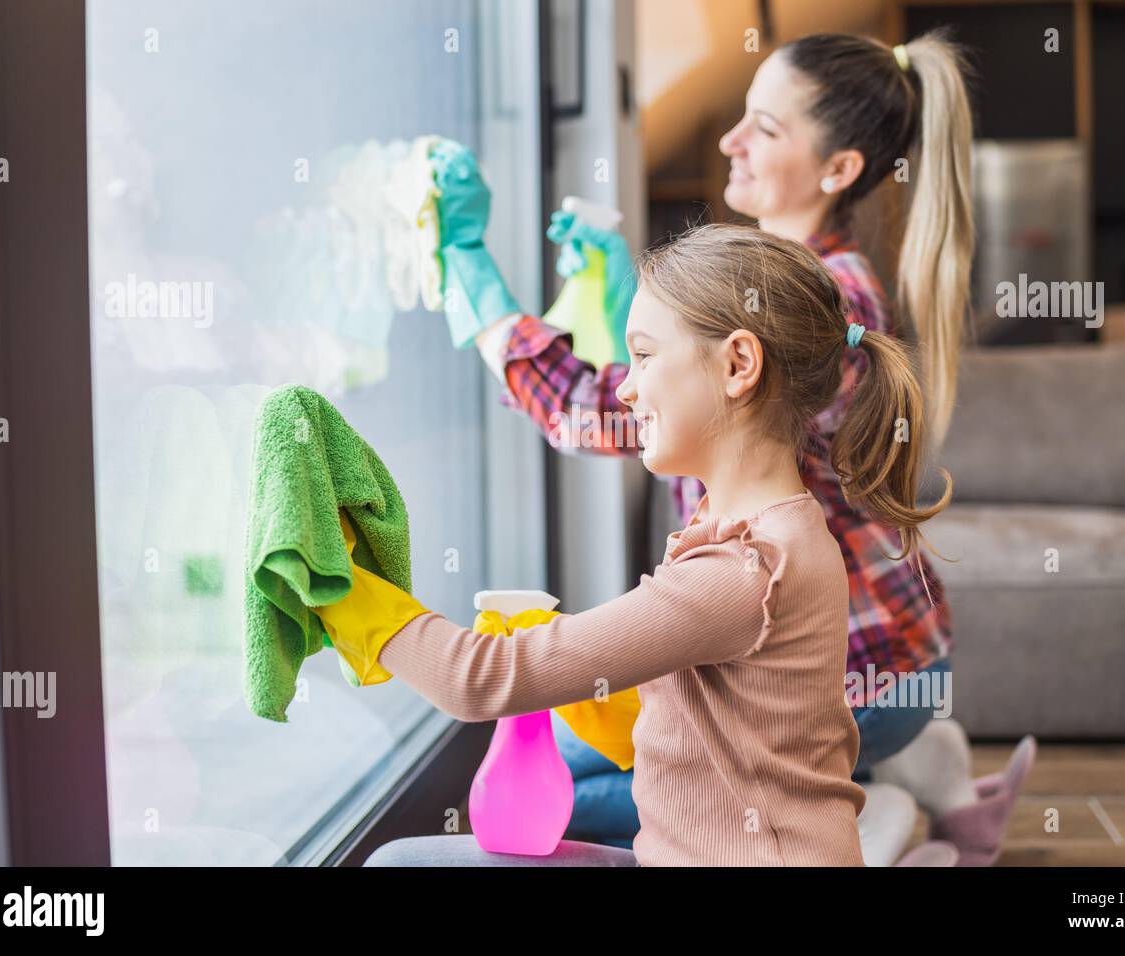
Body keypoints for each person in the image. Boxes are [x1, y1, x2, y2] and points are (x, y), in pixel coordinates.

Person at [426, 30, 1036, 867]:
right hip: (836, 665)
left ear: (839, 170)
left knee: (586, 795)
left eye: (765, 128)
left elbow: (606, 413)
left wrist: (483, 293)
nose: (728, 142)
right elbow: (661, 396)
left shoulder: (822, 295)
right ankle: (909, 765)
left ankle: (878, 808)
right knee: (576, 762)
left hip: (858, 674)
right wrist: (624, 313)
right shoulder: (779, 276)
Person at [353, 223, 950, 865]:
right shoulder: (765, 526)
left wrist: (336, 584)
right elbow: (698, 718)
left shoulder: (744, 568)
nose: (626, 388)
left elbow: (479, 681)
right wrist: (589, 684)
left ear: (738, 366)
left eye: (643, 356)